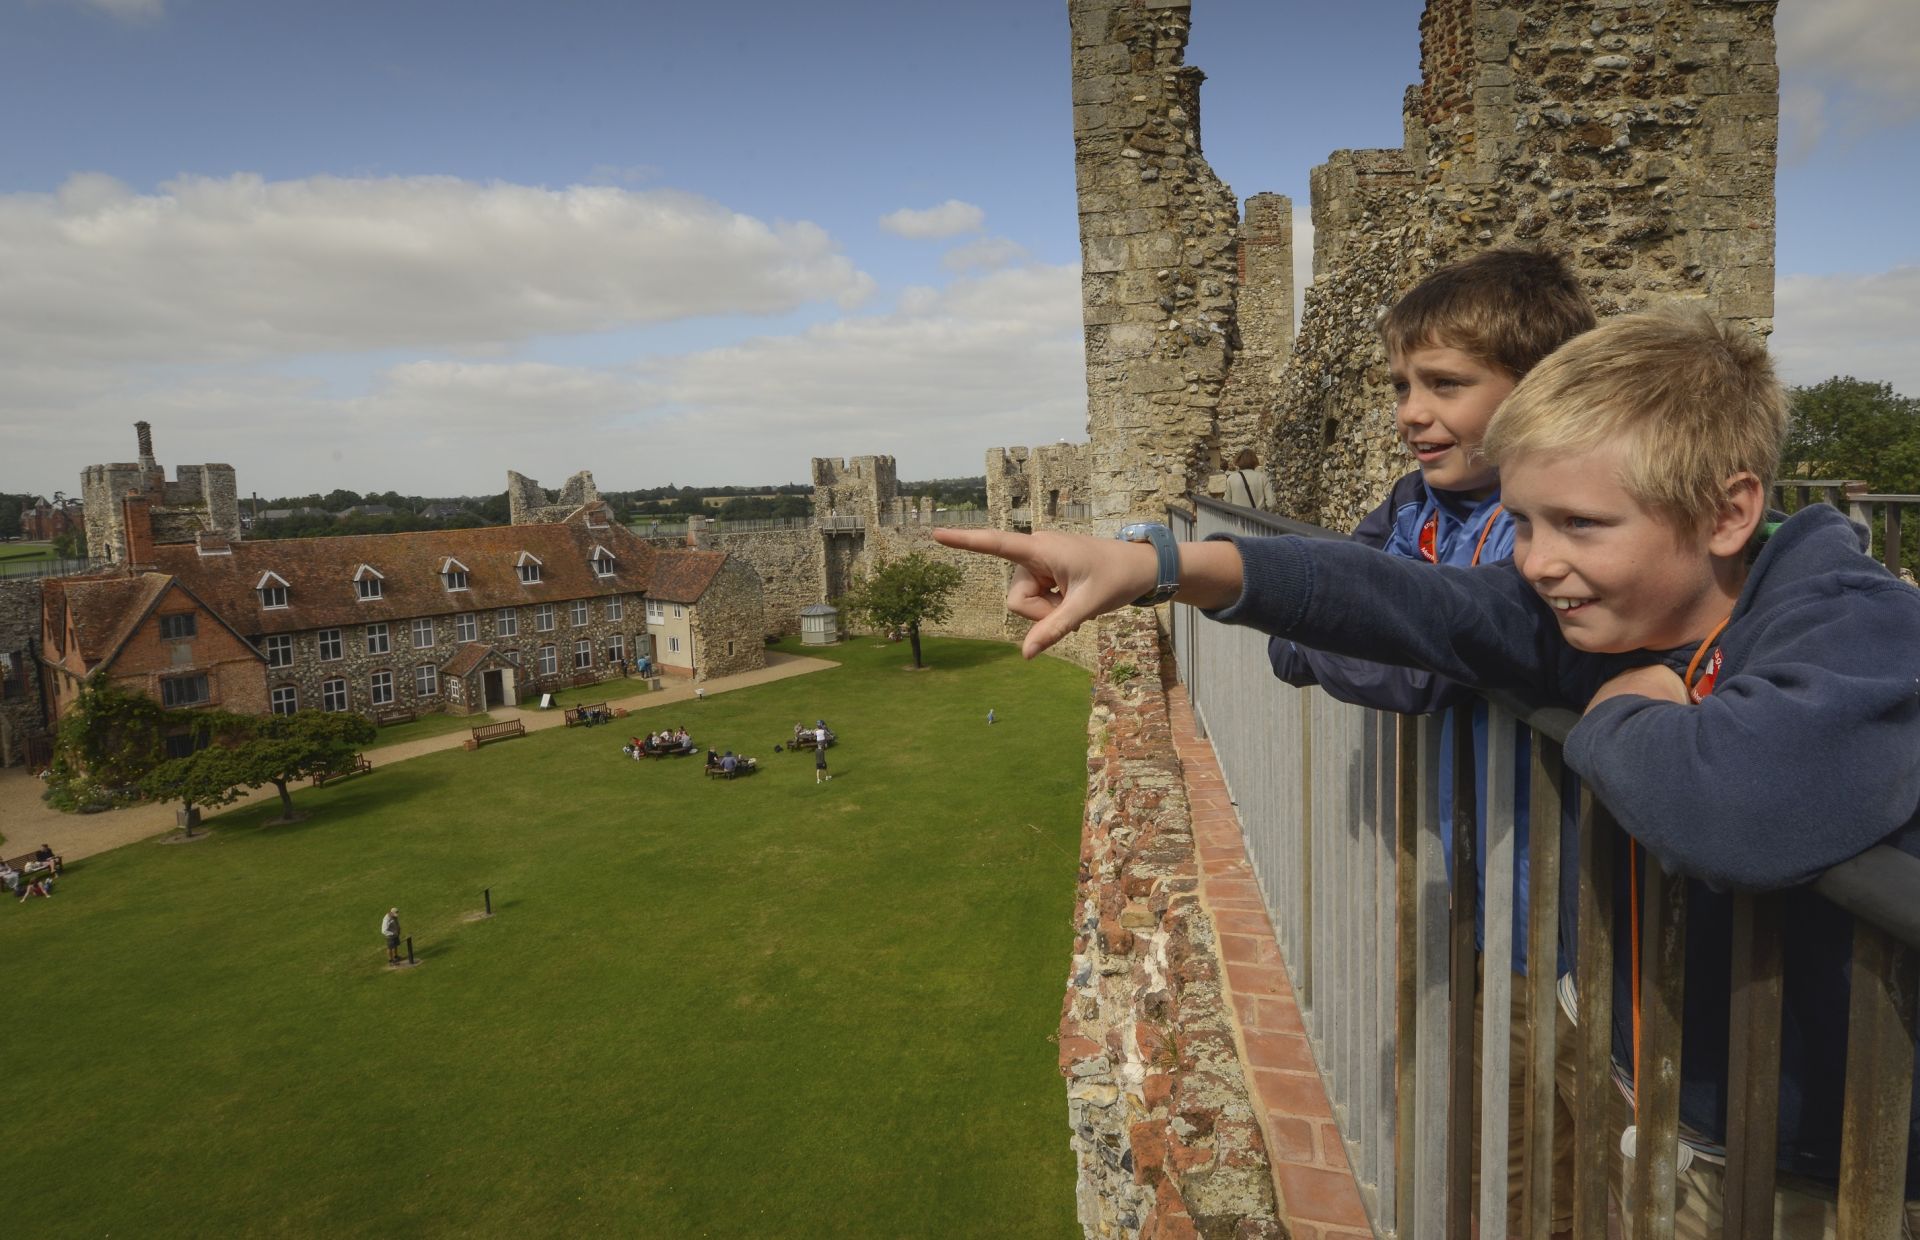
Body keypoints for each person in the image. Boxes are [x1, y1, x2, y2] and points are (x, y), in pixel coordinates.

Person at [935, 309, 1920, 1233]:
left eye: (1580, 524)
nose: (1536, 562)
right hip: (1669, 1094)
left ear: (1727, 512)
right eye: (1523, 522)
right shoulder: (1614, 607)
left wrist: (1617, 713)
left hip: (1818, 1162)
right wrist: (1161, 567)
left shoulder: (1861, 626)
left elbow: (1735, 805)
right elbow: (1413, 600)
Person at [1265, 249, 1595, 1232]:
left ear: (1540, 390)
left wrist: (1322, 632)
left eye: (1446, 385)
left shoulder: (1548, 525)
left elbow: (1419, 664)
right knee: (1487, 1119)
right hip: (1480, 883)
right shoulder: (1417, 505)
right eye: (1402, 386)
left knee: (1566, 1148)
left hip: (1566, 911)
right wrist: (1315, 626)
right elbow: (1333, 596)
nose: (1412, 413)